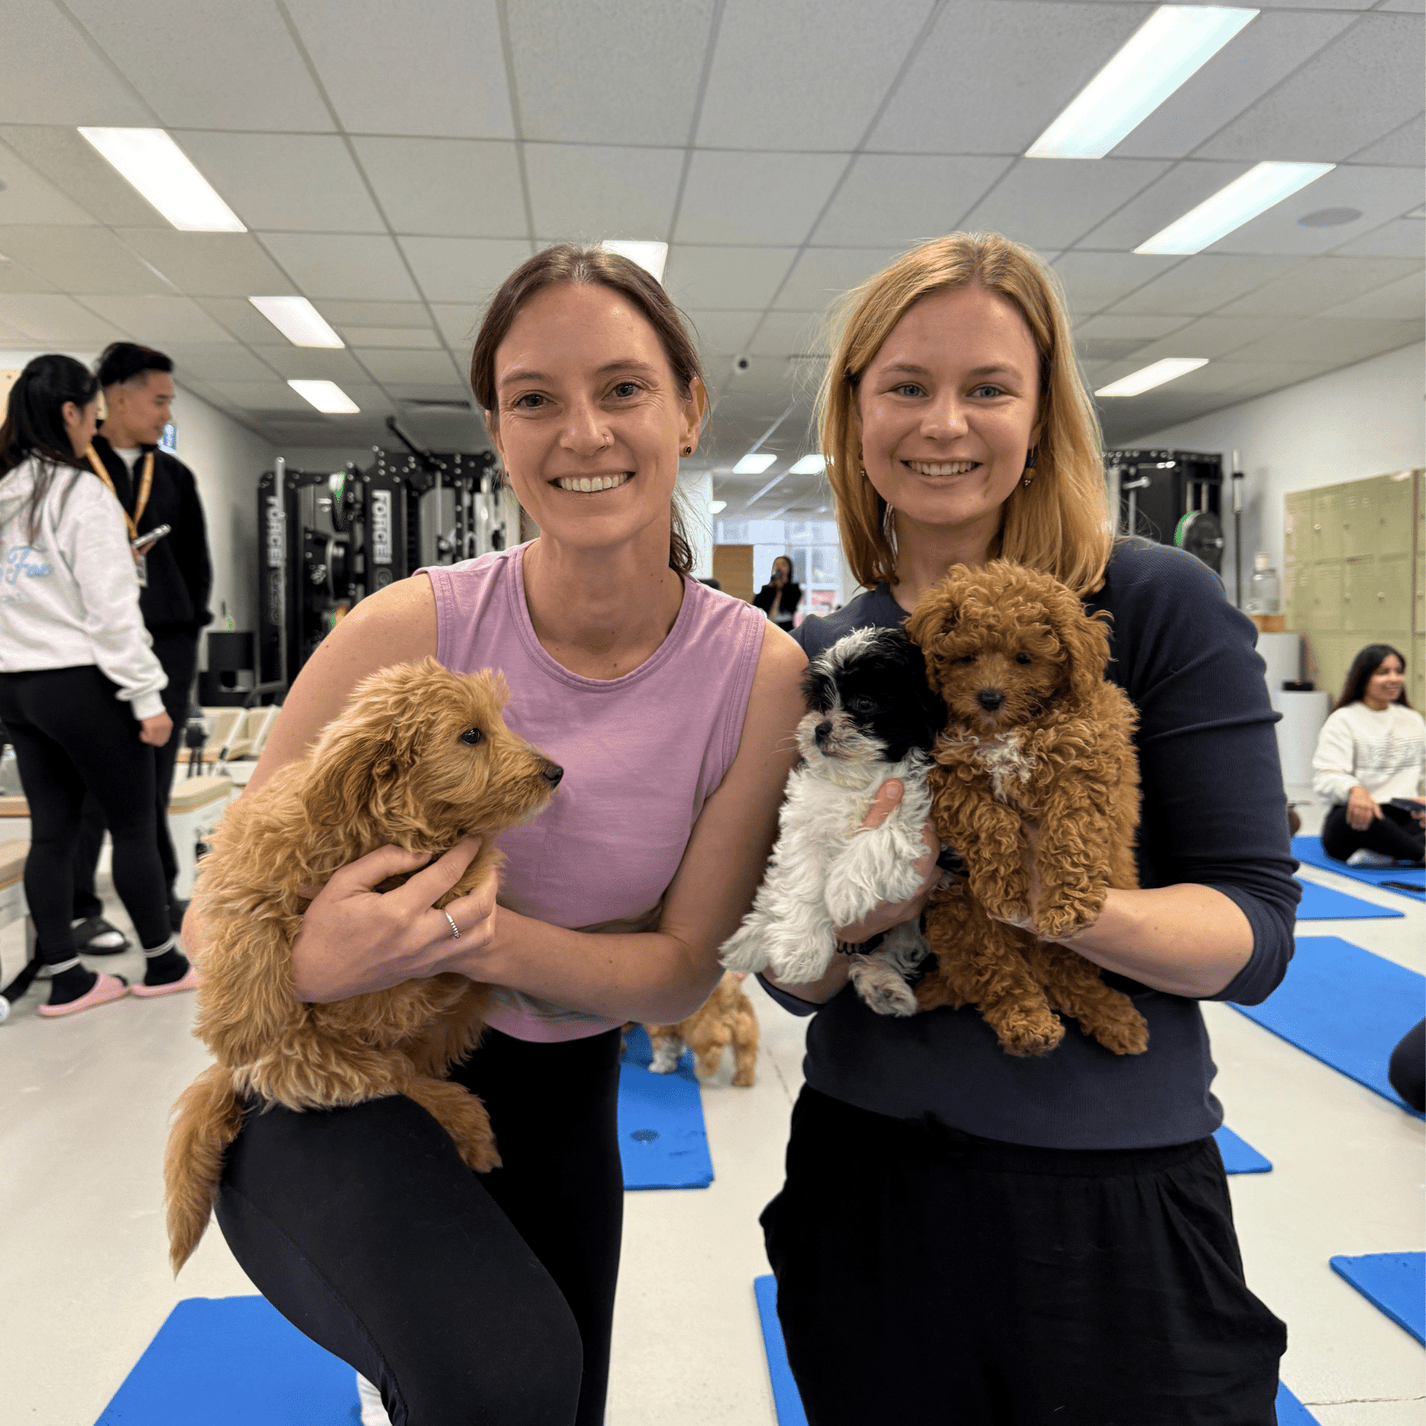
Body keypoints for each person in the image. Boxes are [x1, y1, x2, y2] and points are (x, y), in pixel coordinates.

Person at [183, 246, 805, 1426]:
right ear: (497, 427)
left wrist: (468, 939)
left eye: (622, 388)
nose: (583, 434)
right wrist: (315, 963)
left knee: (556, 1398)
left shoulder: (756, 674)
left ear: (688, 406)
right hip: (327, 1079)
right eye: (535, 399)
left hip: (559, 1083)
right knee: (501, 1377)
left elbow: (681, 968)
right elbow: (220, 903)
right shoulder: (410, 627)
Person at [756, 232, 1300, 1425]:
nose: (943, 423)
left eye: (986, 388)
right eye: (906, 385)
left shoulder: (1149, 603)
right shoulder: (827, 655)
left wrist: (1047, 901)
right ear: (855, 414)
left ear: (1041, 413)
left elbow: (1253, 930)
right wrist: (866, 916)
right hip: (869, 1187)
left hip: (1113, 1203)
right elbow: (793, 976)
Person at [0, 355, 197, 1015]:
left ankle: (67, 977)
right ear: (70, 413)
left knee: (51, 832)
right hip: (84, 684)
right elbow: (110, 615)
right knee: (134, 826)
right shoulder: (80, 493)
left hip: (18, 689)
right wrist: (149, 699)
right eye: (92, 412)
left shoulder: (4, 489)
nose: (97, 424)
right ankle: (164, 962)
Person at [70, 342, 213, 954]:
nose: (166, 415)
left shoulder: (175, 476)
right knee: (90, 786)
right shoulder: (74, 468)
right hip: (89, 649)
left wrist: (186, 631)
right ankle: (82, 906)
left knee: (155, 782)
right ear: (117, 396)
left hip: (167, 644)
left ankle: (160, 893)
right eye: (158, 401)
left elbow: (195, 565)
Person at [1312, 644, 1424, 866]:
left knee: (1400, 827)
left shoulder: (1413, 719)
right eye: (1383, 672)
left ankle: (1389, 853)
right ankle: (1419, 854)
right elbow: (1326, 776)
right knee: (1357, 818)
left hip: (1403, 815)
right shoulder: (1343, 720)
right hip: (1361, 817)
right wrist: (1355, 789)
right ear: (1364, 677)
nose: (1394, 678)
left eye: (1398, 671)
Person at [752, 554, 801, 631]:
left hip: (786, 627)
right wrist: (771, 586)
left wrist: (782, 587)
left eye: (783, 565)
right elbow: (757, 605)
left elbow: (790, 606)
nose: (779, 567)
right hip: (769, 626)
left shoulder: (794, 588)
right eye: (777, 565)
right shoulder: (767, 588)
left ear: (789, 569)